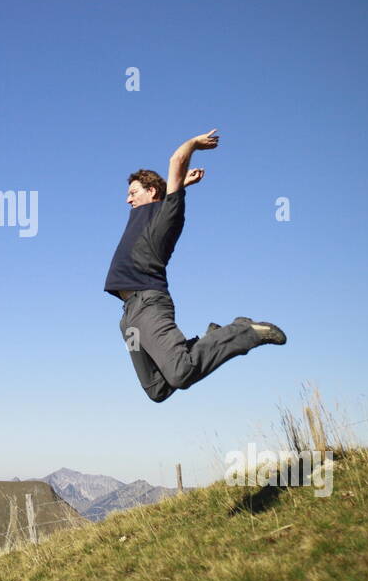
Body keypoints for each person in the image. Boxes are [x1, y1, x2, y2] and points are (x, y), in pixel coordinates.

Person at [104, 130, 286, 402]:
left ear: (151, 191)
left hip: (148, 304)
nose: (127, 200)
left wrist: (192, 145)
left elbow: (176, 161)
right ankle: (206, 341)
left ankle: (243, 332)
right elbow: (167, 192)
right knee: (157, 389)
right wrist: (179, 185)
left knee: (180, 371)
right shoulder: (147, 214)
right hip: (128, 317)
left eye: (133, 192)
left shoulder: (167, 216)